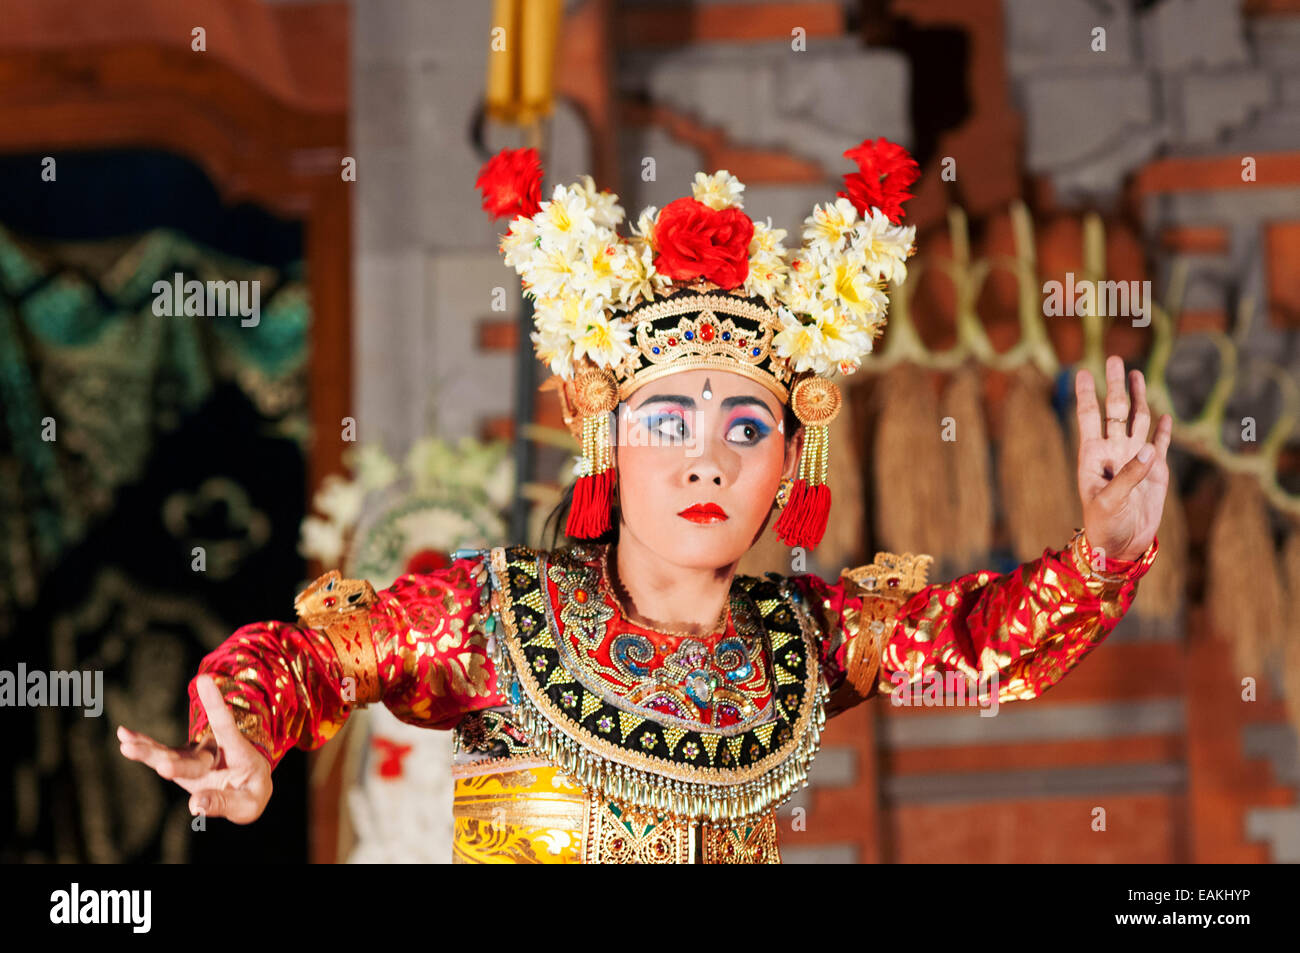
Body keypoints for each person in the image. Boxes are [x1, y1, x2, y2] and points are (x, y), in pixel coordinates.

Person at [118, 138, 1169, 863]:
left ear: (791, 463)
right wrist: (240, 732)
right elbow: (312, 656)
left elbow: (979, 648)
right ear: (604, 437)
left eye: (745, 430)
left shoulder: (804, 640)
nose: (705, 461)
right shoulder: (492, 618)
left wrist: (1104, 550)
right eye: (667, 422)